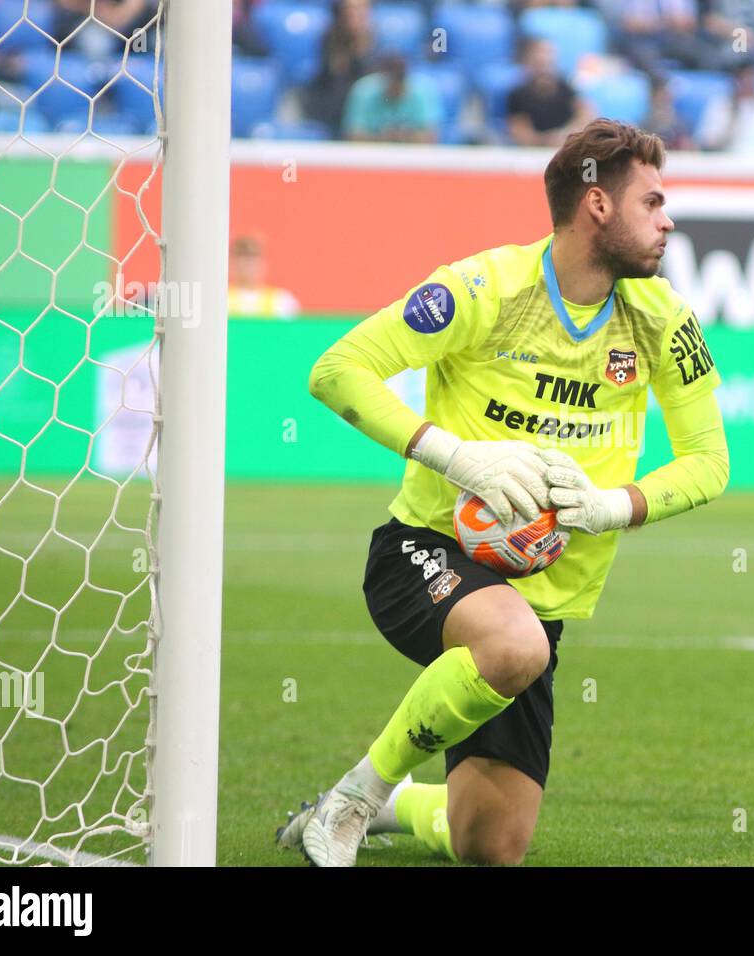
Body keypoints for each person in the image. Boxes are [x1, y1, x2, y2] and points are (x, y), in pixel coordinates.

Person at [279, 119, 729, 867]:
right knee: (511, 644)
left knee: (489, 846)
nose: (668, 219)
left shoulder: (663, 321)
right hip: (425, 553)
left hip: (541, 594)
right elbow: (337, 371)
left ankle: (391, 807)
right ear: (597, 206)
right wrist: (458, 459)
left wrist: (612, 506)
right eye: (652, 202)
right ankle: (353, 801)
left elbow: (709, 462)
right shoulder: (482, 289)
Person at [301, 0, 383, 138]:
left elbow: (371, 84)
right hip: (332, 111)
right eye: (351, 9)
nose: (355, 15)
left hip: (364, 117)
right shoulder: (330, 39)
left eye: (360, 10)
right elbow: (332, 78)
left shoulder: (376, 43)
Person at [505, 37, 595, 147]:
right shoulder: (517, 95)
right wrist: (547, 140)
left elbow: (586, 116)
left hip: (566, 147)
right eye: (539, 55)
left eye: (548, 54)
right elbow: (520, 133)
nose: (544, 58)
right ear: (527, 59)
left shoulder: (568, 88)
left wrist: (566, 135)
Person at [341, 55, 442, 144]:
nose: (395, 91)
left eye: (399, 86)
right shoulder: (364, 90)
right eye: (392, 85)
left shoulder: (423, 91)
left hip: (413, 157)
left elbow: (432, 137)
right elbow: (352, 135)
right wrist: (382, 138)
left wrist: (405, 136)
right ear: (381, 80)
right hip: (372, 156)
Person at [226, 235, 300, 319]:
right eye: (241, 255)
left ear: (262, 262)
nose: (247, 262)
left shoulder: (281, 300)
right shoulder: (223, 298)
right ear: (230, 262)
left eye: (252, 256)